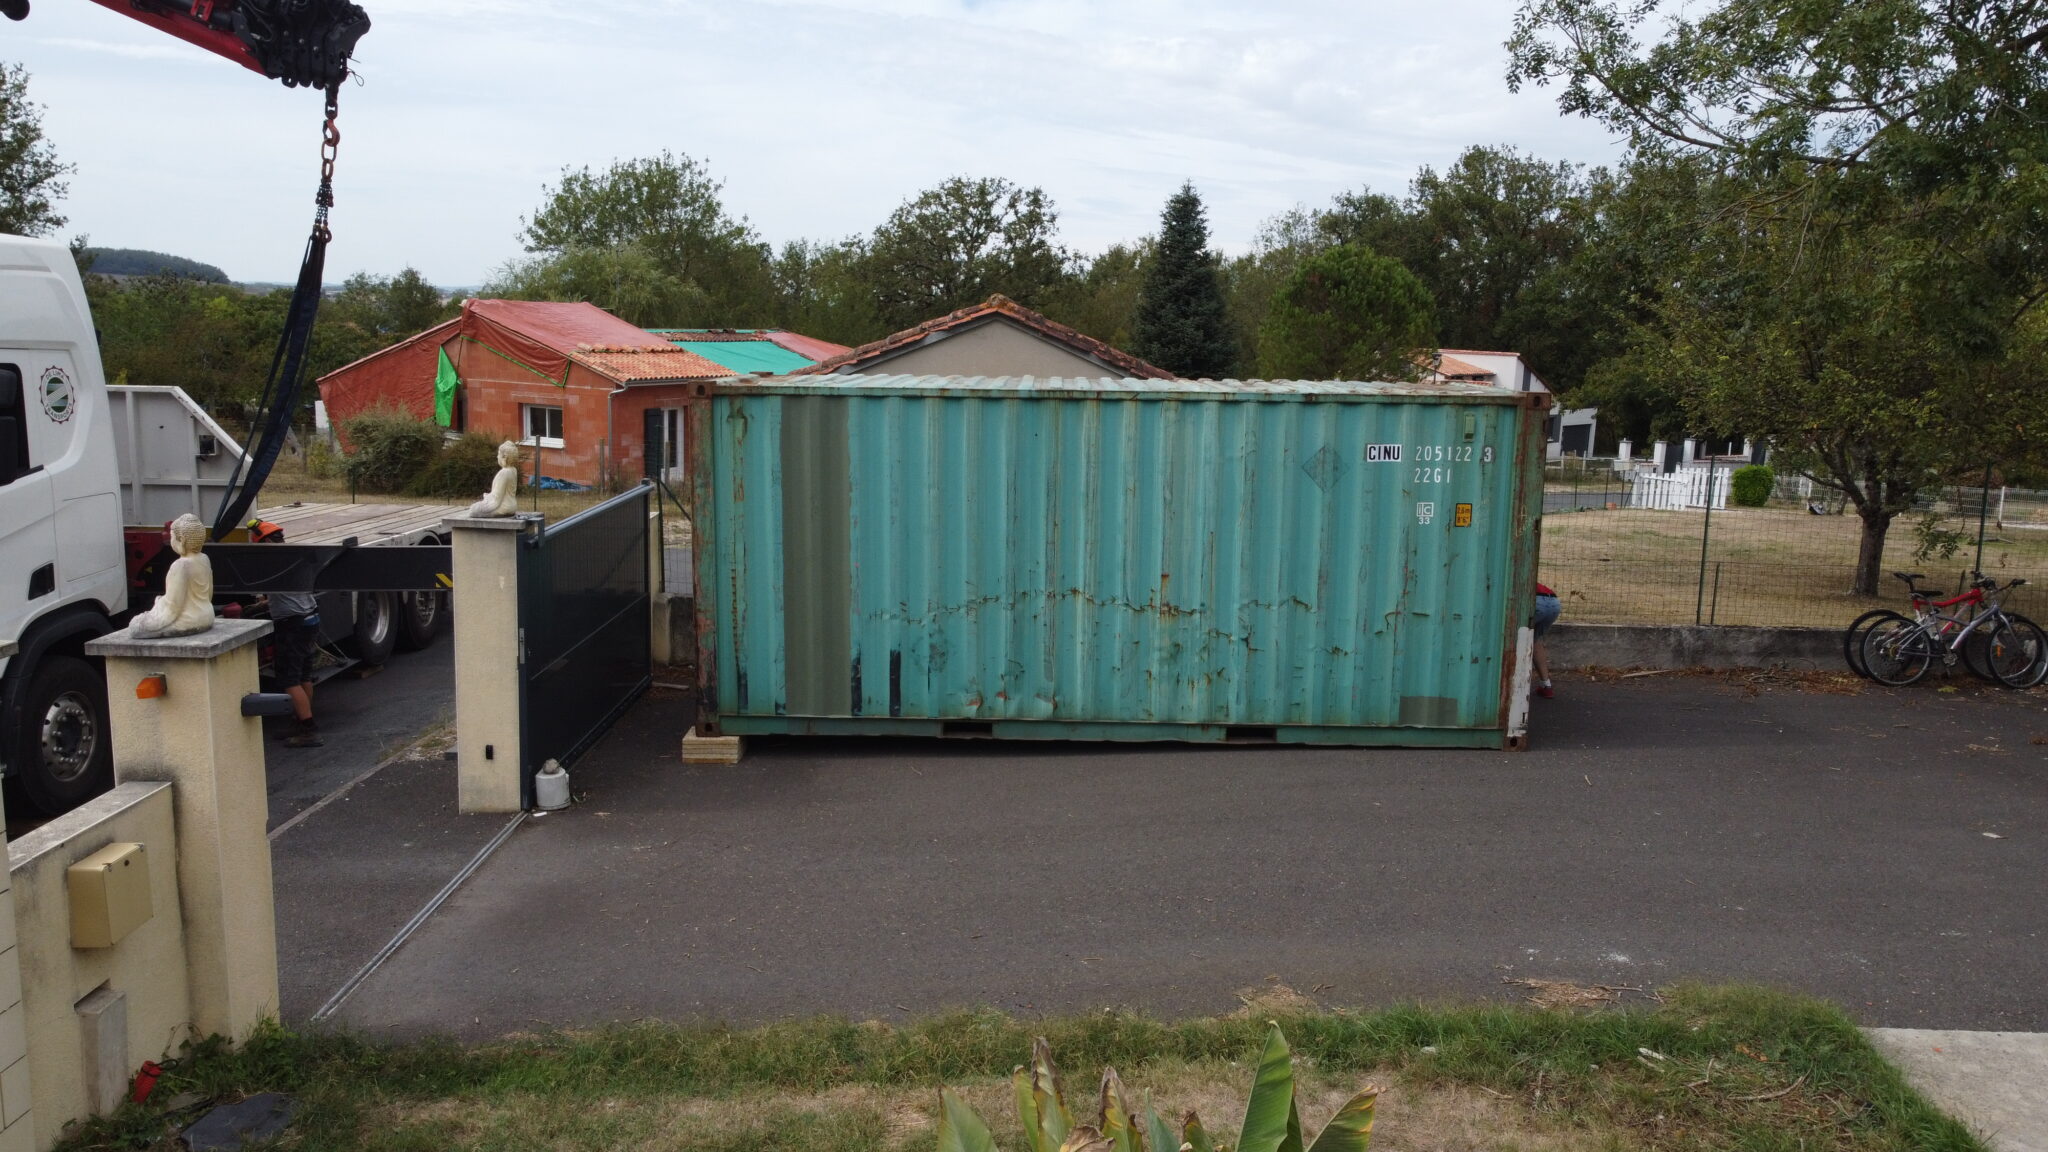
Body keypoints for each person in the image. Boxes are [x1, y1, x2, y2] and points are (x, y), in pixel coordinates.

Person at [250, 519, 324, 748]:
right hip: (309, 619)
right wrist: (266, 603)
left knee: (289, 680)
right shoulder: (292, 557)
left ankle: (309, 731)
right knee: (303, 676)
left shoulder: (271, 564)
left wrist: (257, 604)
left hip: (293, 625)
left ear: (264, 543)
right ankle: (299, 722)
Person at [1532, 581, 1561, 698]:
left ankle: (1512, 684)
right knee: (1535, 641)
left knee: (1513, 640)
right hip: (1553, 602)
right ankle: (1546, 685)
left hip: (1535, 601)